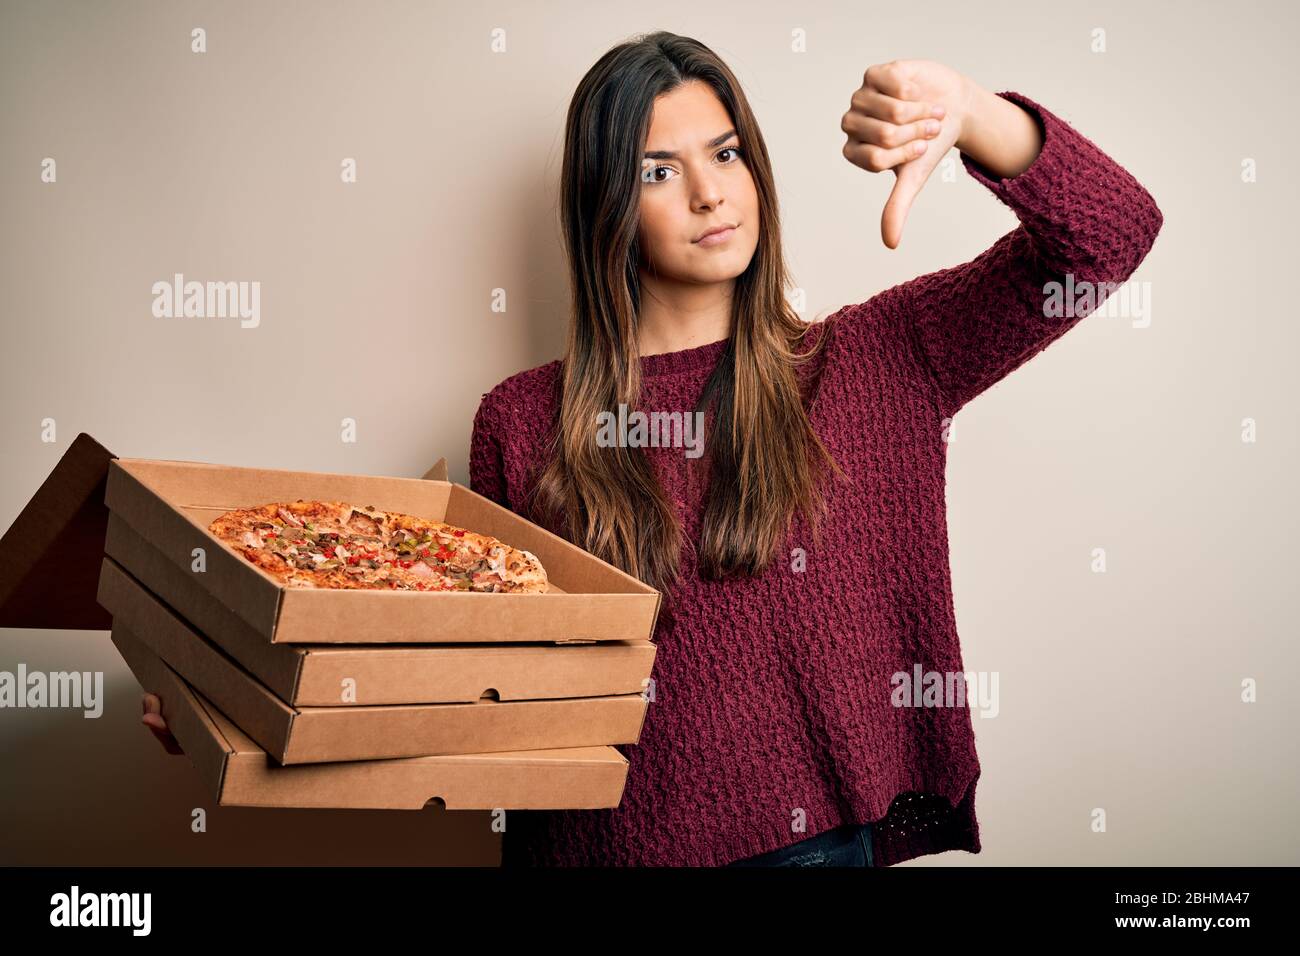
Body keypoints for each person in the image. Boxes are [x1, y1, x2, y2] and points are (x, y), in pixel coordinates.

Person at [143, 31, 1163, 868]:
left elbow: (1110, 234)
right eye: (657, 170)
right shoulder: (519, 420)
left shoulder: (876, 357)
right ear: (606, 210)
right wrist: (234, 690)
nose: (711, 193)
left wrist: (972, 110)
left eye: (725, 154)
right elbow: (471, 688)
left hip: (813, 850)